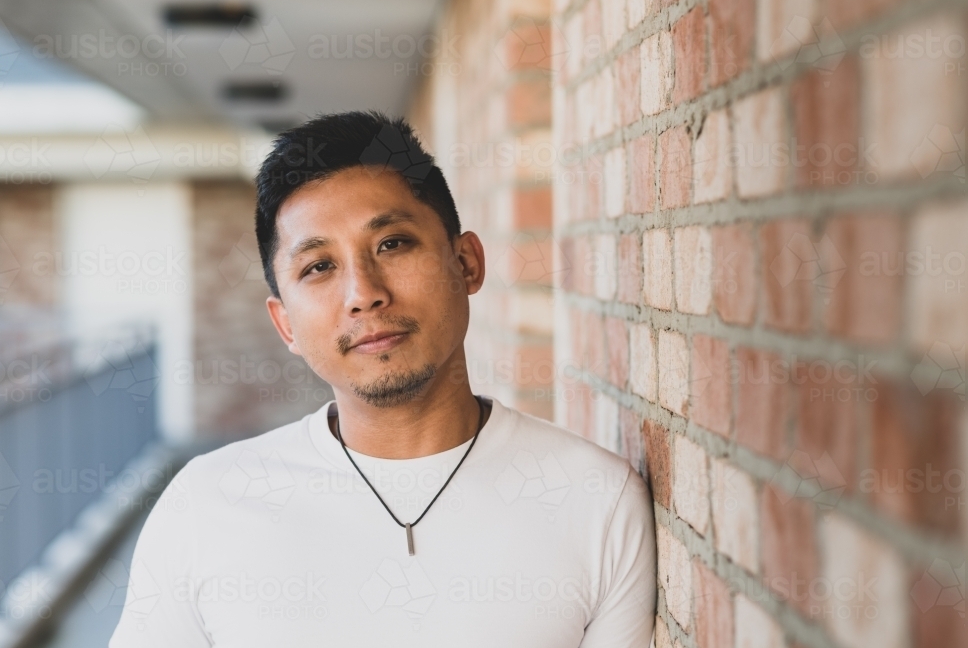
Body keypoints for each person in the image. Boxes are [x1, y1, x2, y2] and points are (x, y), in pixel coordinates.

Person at [109, 111, 657, 647]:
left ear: (466, 262)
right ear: (286, 324)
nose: (363, 293)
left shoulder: (595, 501)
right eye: (319, 267)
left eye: (392, 244)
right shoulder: (206, 508)